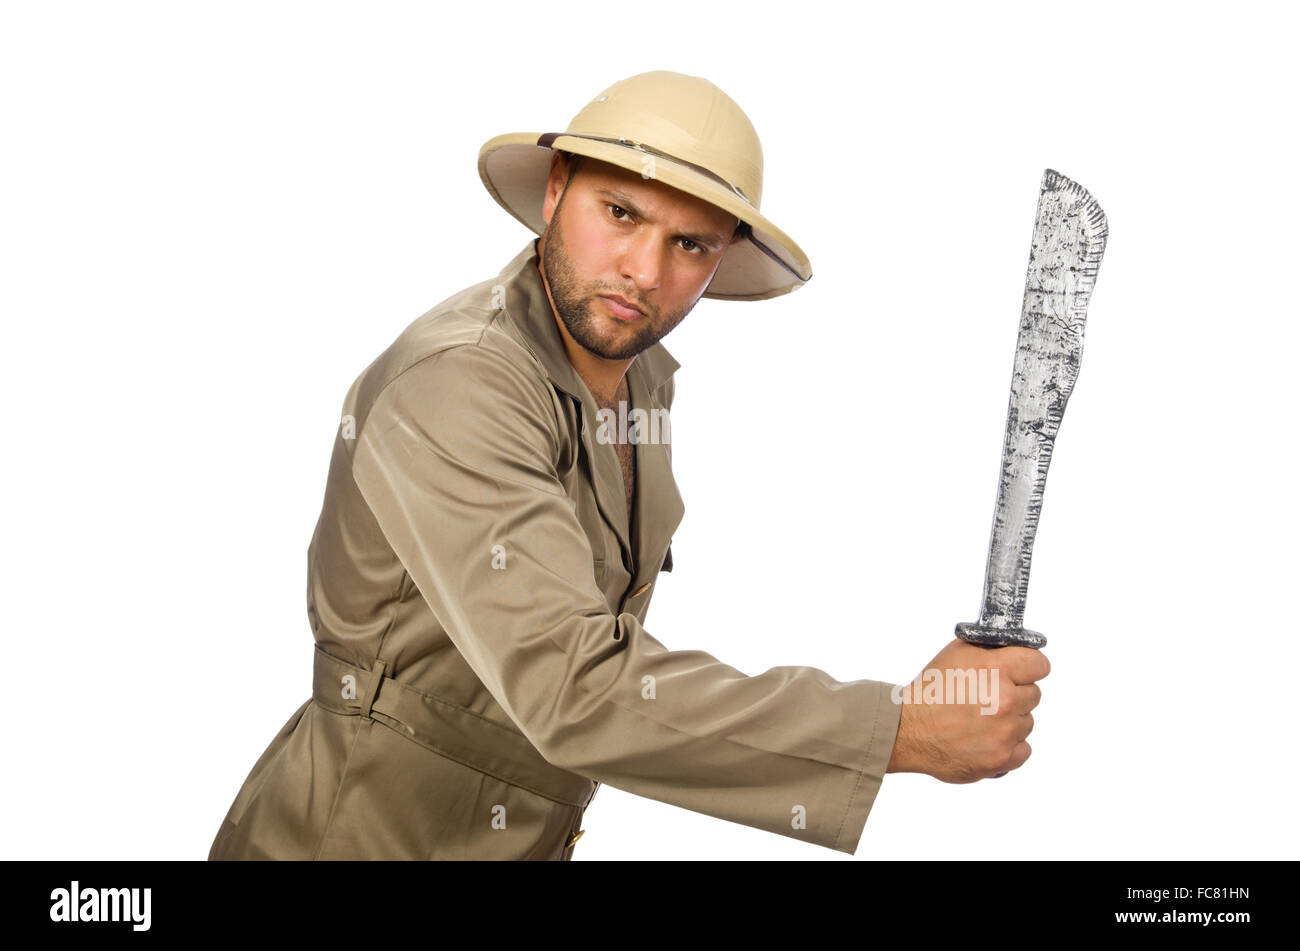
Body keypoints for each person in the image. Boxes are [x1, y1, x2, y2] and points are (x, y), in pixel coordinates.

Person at [207, 70, 1048, 861]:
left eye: (689, 243)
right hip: (356, 836)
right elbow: (572, 688)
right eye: (619, 213)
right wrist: (900, 727)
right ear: (554, 189)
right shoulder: (460, 380)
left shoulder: (638, 379)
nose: (644, 273)